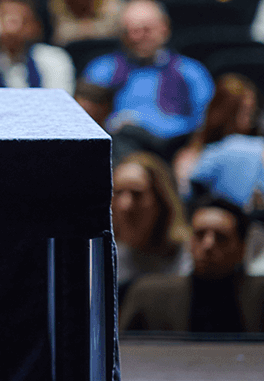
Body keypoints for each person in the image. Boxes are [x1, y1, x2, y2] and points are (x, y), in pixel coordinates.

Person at [75, 0, 215, 161]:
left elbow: (207, 122)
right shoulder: (103, 69)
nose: (136, 37)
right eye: (130, 31)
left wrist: (193, 150)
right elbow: (83, 121)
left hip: (174, 148)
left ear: (164, 29)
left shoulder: (190, 71)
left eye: (146, 30)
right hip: (117, 149)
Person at [121, 196, 264, 332]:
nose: (208, 245)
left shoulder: (260, 296)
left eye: (221, 238)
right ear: (189, 242)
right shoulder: (148, 296)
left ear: (242, 249)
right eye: (200, 235)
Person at [112, 152, 192, 298]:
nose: (125, 205)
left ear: (161, 203)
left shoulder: (188, 256)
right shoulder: (101, 256)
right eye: (117, 193)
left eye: (137, 194)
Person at [0, 0, 75, 91]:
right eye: (5, 18)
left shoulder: (54, 59)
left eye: (22, 20)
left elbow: (59, 102)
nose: (12, 28)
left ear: (35, 25)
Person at [187, 75, 264, 208]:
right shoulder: (192, 155)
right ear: (226, 111)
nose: (251, 120)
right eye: (246, 112)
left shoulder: (191, 156)